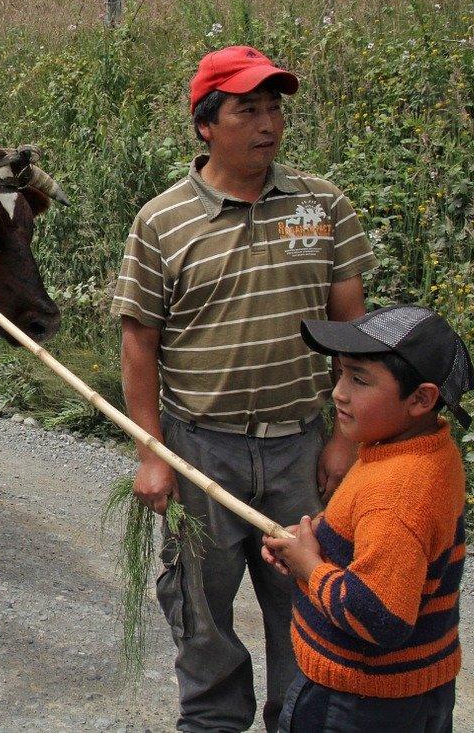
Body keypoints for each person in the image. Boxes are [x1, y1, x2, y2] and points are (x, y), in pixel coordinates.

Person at [112, 45, 377, 731]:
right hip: (203, 452)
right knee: (202, 612)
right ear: (206, 123)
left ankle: (298, 720)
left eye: (275, 109)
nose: (268, 124)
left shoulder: (322, 206)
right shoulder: (162, 221)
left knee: (310, 608)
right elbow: (140, 342)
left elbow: (354, 332)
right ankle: (213, 722)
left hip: (300, 448)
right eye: (248, 109)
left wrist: (347, 440)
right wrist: (152, 452)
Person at [263, 305, 474, 732]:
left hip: (358, 704)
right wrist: (315, 539)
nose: (339, 392)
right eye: (340, 374)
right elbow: (371, 536)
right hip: (401, 693)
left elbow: (381, 616)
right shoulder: (413, 449)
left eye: (359, 380)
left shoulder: (398, 491)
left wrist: (310, 568)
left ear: (421, 398)